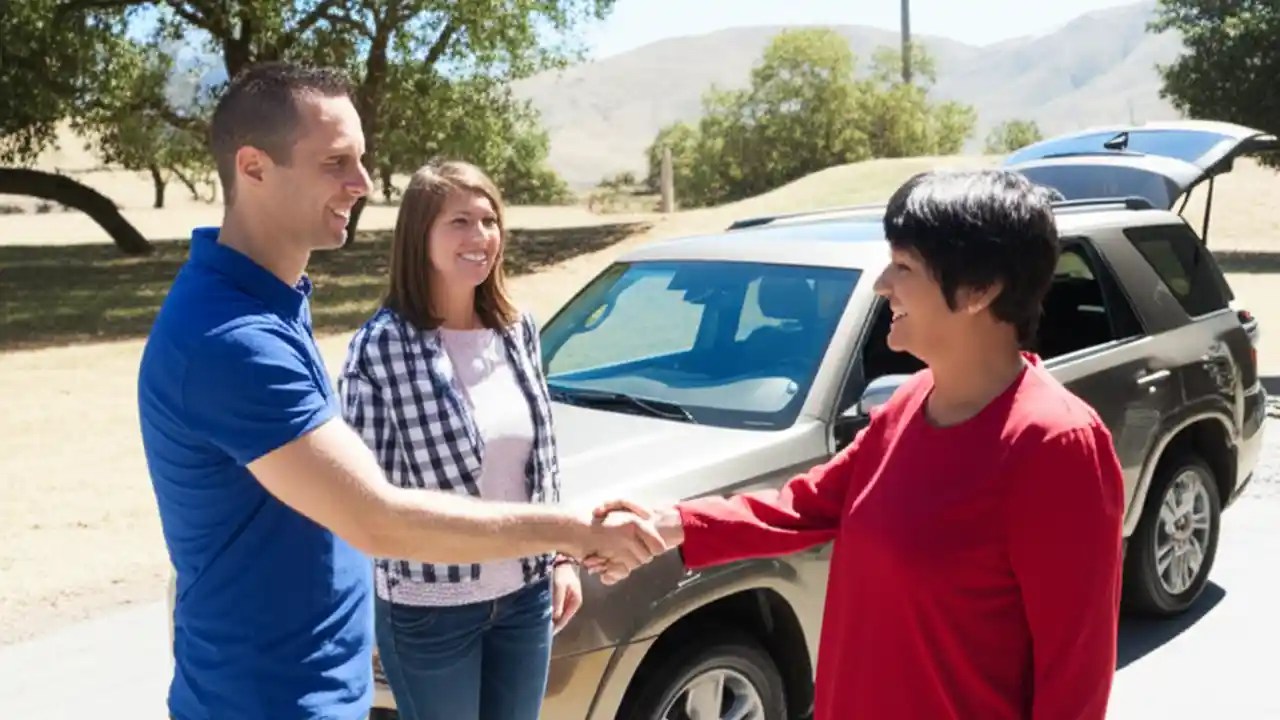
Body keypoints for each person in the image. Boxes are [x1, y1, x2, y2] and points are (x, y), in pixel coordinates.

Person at [136, 61, 664, 720]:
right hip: (270, 701)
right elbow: (377, 517)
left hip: (318, 689)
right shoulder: (231, 338)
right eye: (335, 162)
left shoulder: (272, 304)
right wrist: (571, 530)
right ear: (253, 167)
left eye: (361, 160)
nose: (361, 184)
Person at [589, 169, 1126, 720]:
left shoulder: (1055, 445)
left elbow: (1075, 677)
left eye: (904, 266)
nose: (882, 284)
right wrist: (670, 523)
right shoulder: (910, 403)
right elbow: (803, 506)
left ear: (979, 290)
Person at [337, 160, 577, 720]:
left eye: (489, 220)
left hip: (525, 594)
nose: (480, 237)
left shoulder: (518, 331)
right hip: (429, 606)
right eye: (459, 222)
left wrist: (562, 557)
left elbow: (541, 461)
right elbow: (358, 498)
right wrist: (359, 607)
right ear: (420, 237)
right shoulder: (379, 348)